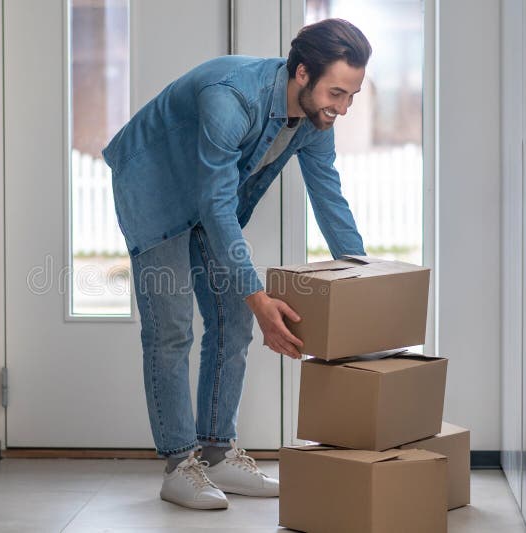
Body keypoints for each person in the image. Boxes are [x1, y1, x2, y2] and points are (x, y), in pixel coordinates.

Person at [102, 18, 371, 510]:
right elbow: (217, 208)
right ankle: (180, 465)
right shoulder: (232, 98)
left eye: (352, 95)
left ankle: (218, 452)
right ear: (303, 73)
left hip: (210, 194)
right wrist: (259, 295)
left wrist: (363, 278)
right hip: (153, 185)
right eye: (337, 92)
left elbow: (329, 197)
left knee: (234, 319)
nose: (343, 108)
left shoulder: (315, 120)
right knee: (172, 330)